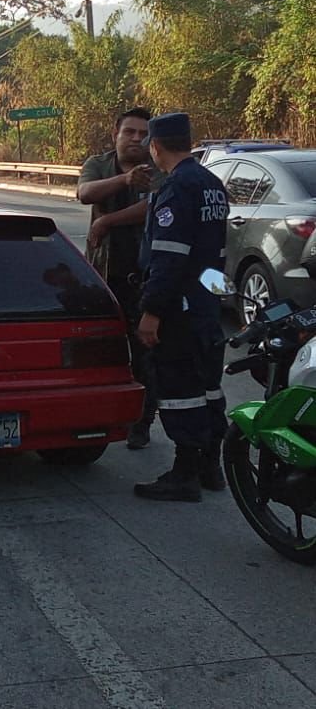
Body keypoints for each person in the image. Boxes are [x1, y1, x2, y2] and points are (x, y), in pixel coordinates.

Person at [133, 112, 229, 502]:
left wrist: (152, 311)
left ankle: (185, 473)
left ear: (156, 147)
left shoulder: (175, 189)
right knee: (209, 387)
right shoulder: (211, 184)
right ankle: (211, 464)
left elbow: (169, 258)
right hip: (206, 305)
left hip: (180, 308)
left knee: (179, 389)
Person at [77, 108, 164, 449]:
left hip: (143, 278)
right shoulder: (100, 164)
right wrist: (124, 181)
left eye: (144, 134)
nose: (136, 139)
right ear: (116, 132)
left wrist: (107, 221)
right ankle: (95, 418)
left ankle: (142, 422)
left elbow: (154, 206)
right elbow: (85, 193)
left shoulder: (158, 168)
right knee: (97, 353)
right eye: (130, 132)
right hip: (101, 277)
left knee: (146, 356)